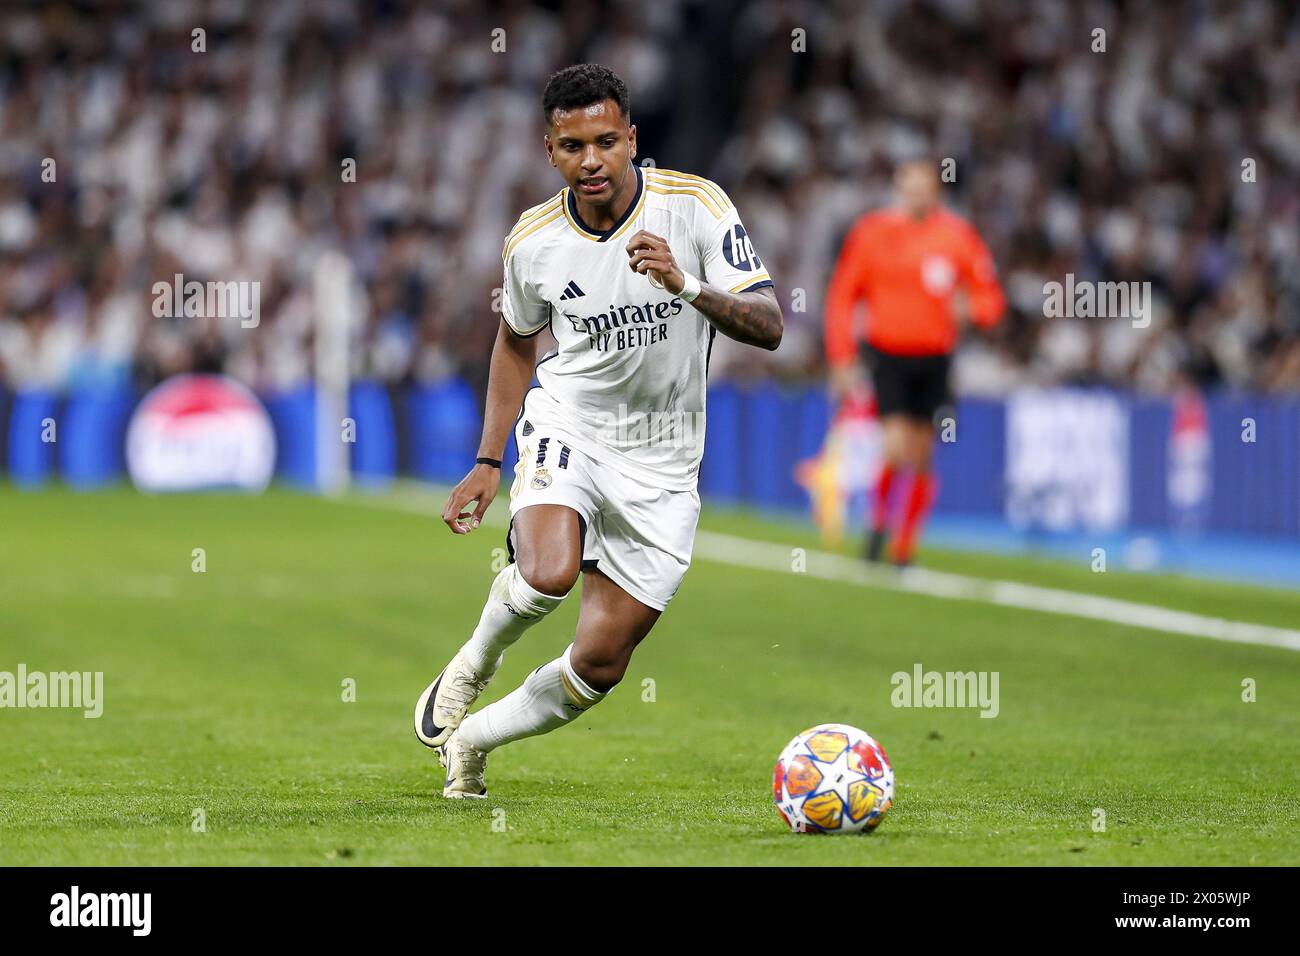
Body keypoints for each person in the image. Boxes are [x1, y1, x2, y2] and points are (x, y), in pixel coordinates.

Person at [414, 64, 783, 797]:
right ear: (549, 149)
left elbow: (770, 326)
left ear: (632, 140)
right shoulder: (534, 241)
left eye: (606, 142)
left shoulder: (695, 207)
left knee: (601, 663)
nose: (591, 160)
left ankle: (474, 743)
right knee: (548, 572)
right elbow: (516, 341)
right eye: (571, 145)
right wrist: (489, 459)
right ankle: (471, 666)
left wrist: (685, 284)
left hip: (667, 461)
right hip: (572, 424)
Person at [824, 158, 1004, 566]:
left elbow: (990, 299)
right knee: (895, 445)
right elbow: (842, 294)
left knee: (922, 455)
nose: (916, 195)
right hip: (888, 356)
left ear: (937, 192)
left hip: (935, 358)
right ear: (899, 189)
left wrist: (971, 310)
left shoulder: (958, 237)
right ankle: (878, 525)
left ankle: (903, 546)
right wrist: (841, 355)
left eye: (924, 187)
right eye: (909, 187)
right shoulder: (872, 233)